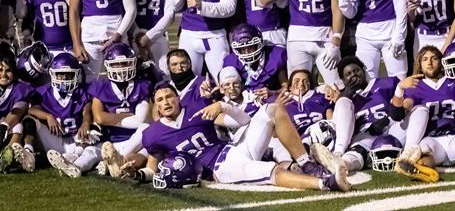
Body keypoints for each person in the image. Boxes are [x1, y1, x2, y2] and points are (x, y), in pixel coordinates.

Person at [136, 82, 350, 191]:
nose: (166, 102)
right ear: (156, 105)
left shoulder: (198, 108)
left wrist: (224, 106)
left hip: (233, 149)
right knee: (270, 171)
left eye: (169, 96)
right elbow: (153, 167)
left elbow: (244, 121)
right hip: (221, 171)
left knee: (272, 109)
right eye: (161, 99)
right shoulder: (152, 134)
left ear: (178, 98)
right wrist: (137, 174)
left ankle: (306, 163)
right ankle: (326, 184)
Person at [392, 44, 455, 182]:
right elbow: (397, 114)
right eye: (425, 59)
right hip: (432, 140)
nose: (430, 63)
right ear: (419, 63)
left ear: (442, 62)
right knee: (424, 150)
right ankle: (424, 171)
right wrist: (399, 88)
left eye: (434, 58)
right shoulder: (415, 86)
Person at [326, 56, 404, 173]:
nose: (353, 75)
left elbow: (406, 102)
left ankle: (412, 154)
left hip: (392, 127)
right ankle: (340, 161)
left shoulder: (385, 83)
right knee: (343, 103)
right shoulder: (344, 99)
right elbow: (336, 122)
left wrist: (389, 119)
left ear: (363, 70)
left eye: (356, 70)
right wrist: (346, 94)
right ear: (343, 80)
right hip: (366, 134)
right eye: (348, 74)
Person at [28, 53, 99, 177]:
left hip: (76, 142)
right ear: (53, 74)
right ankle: (28, 152)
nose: (64, 78)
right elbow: (31, 110)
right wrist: (48, 116)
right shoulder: (43, 92)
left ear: (76, 74)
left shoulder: (81, 92)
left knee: (93, 128)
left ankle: (72, 157)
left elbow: (87, 110)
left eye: (69, 74)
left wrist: (86, 122)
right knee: (30, 120)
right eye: (60, 74)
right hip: (53, 140)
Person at [89, 43, 152, 177]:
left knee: (146, 129)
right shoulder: (100, 86)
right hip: (109, 142)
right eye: (116, 64)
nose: (121, 68)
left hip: (134, 141)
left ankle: (115, 161)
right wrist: (125, 115)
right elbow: (99, 118)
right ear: (108, 66)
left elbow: (139, 121)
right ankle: (117, 161)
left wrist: (110, 118)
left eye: (124, 64)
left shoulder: (142, 86)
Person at [223, 23, 288, 99]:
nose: (247, 51)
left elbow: (286, 87)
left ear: (259, 44)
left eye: (250, 46)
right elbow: (226, 90)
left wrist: (273, 93)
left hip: (271, 100)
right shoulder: (231, 62)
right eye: (243, 48)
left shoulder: (275, 55)